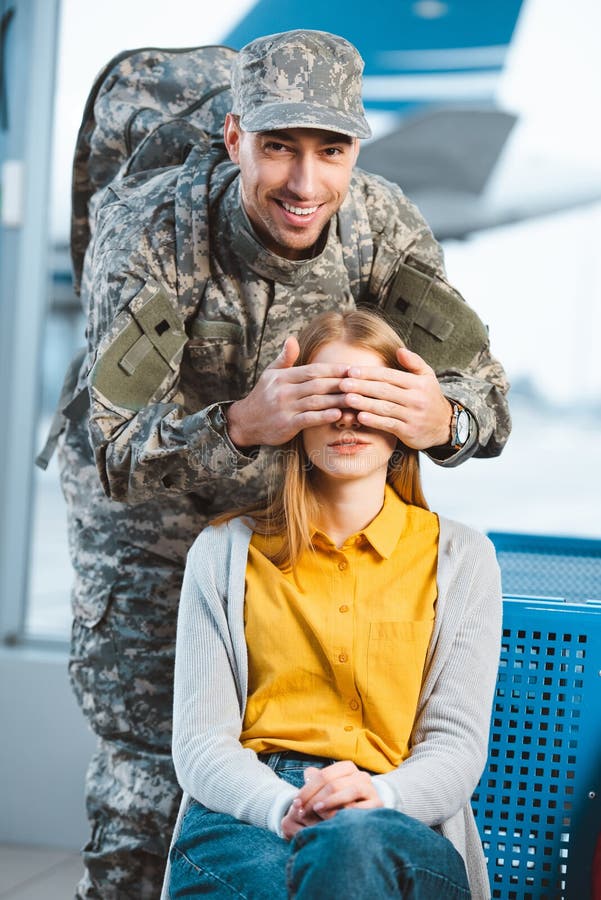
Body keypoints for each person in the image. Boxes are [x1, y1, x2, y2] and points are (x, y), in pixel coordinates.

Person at [58, 29, 510, 899]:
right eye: (278, 148)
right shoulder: (151, 229)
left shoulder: (380, 224)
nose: (305, 183)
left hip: (303, 517)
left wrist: (443, 417)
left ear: (354, 151)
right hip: (156, 523)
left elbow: (483, 395)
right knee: (147, 781)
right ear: (235, 139)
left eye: (329, 150)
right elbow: (113, 447)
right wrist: (240, 424)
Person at [165, 308, 502, 900]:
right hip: (251, 812)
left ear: (406, 417)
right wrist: (283, 807)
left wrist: (380, 797)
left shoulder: (462, 558)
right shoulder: (222, 553)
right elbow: (201, 744)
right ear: (293, 417)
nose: (349, 416)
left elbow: (454, 747)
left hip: (397, 812)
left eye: (372, 397)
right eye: (326, 396)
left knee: (351, 848)